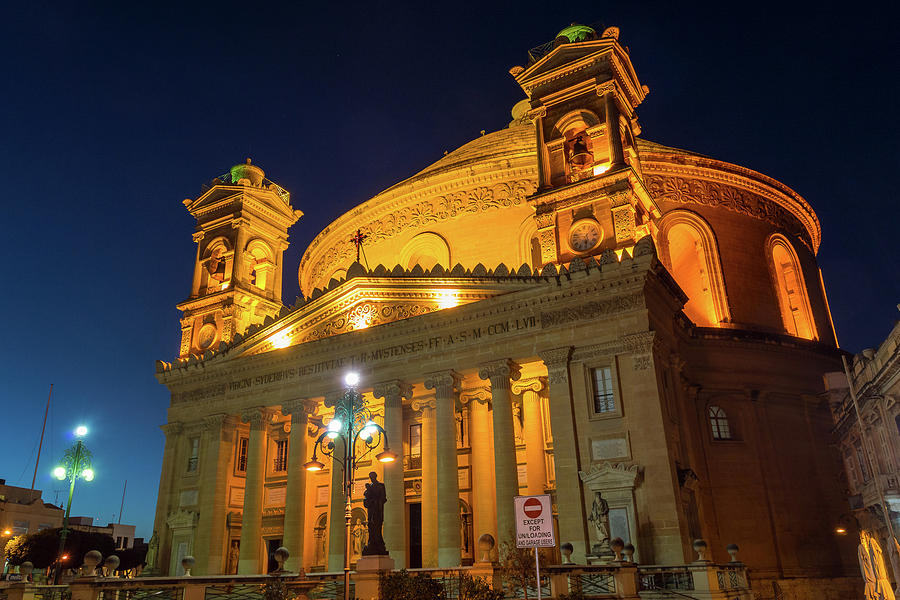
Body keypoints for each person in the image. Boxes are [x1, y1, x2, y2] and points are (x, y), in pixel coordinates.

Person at [362, 471, 387, 555]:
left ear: (375, 477)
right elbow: (366, 499)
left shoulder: (381, 486)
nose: (371, 478)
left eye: (372, 477)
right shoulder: (369, 487)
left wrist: (375, 500)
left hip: (377, 510)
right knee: (371, 527)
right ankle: (371, 543)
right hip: (371, 511)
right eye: (370, 477)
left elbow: (383, 498)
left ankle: (378, 544)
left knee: (377, 527)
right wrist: (368, 496)